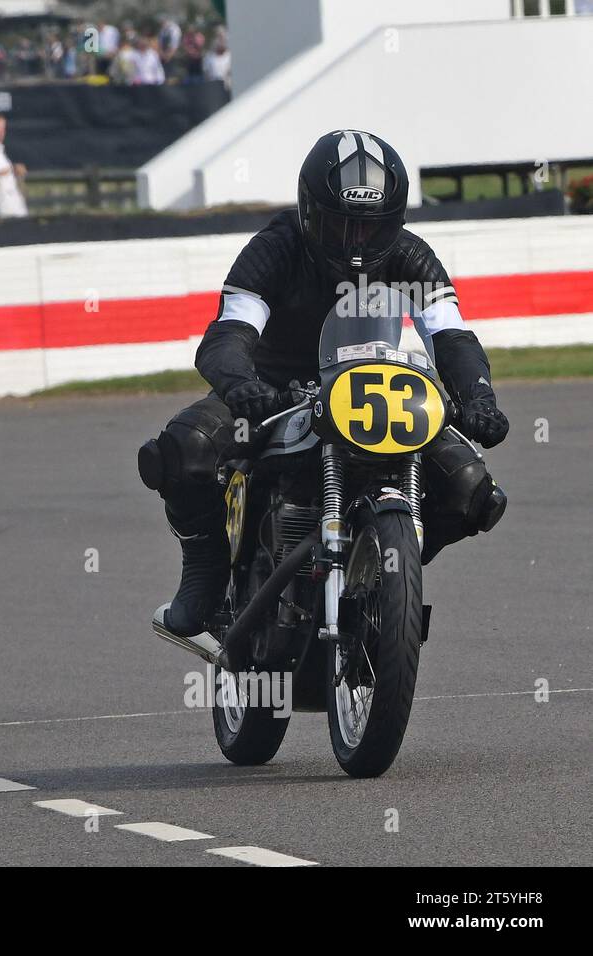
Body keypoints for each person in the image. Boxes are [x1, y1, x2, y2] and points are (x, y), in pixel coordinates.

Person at [139, 130, 509, 638]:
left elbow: (452, 337)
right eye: (340, 225)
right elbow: (227, 334)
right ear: (311, 212)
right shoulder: (275, 249)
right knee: (184, 449)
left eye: (370, 228)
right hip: (274, 390)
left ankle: (383, 569)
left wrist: (478, 397)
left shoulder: (411, 257)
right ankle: (204, 572)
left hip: (374, 389)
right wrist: (242, 384)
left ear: (395, 221)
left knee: (476, 492)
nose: (356, 242)